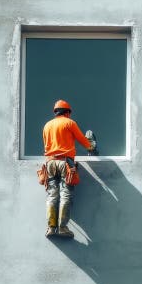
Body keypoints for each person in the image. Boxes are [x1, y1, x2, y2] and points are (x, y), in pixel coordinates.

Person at [42, 99, 96, 238]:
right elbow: (82, 140)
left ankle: (50, 227)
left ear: (56, 112)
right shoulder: (69, 123)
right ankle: (62, 227)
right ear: (67, 112)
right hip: (65, 162)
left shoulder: (47, 125)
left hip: (50, 163)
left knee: (52, 195)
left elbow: (47, 146)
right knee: (65, 194)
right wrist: (91, 147)